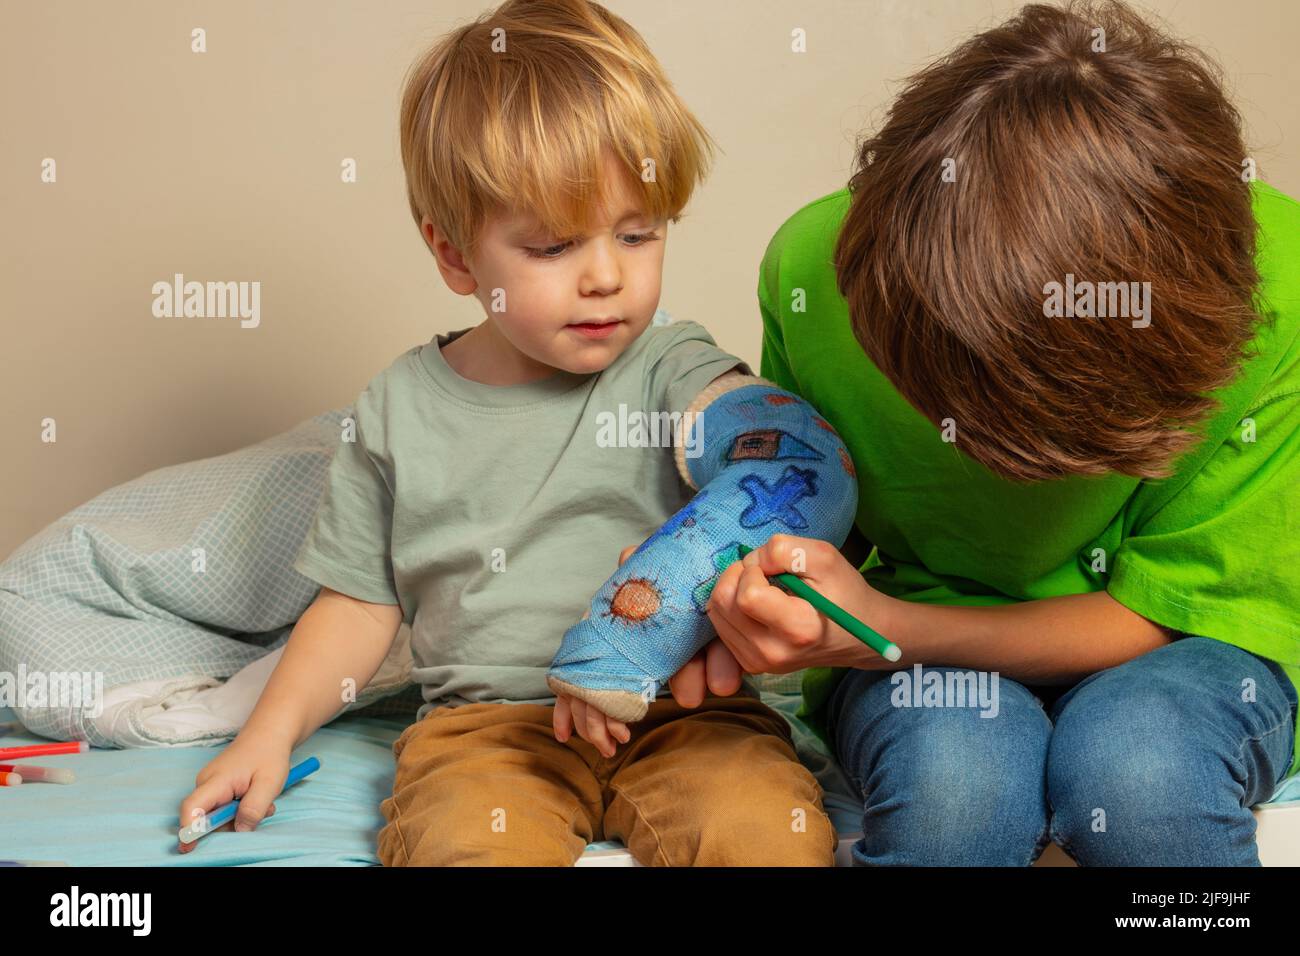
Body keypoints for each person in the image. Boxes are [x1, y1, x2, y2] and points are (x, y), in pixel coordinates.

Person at [177, 0, 839, 866]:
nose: (607, 276)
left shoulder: (673, 365)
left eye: (638, 233)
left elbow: (779, 456)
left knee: (767, 839)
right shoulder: (398, 409)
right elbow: (356, 605)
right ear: (454, 254)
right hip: (489, 730)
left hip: (690, 716)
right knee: (463, 849)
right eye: (555, 247)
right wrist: (267, 735)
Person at [702, 0, 1300, 866]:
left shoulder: (1277, 281)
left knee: (1142, 774)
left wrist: (888, 626)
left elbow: (1178, 609)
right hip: (906, 642)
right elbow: (798, 514)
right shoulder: (814, 270)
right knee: (957, 793)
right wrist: (741, 590)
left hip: (1193, 648)